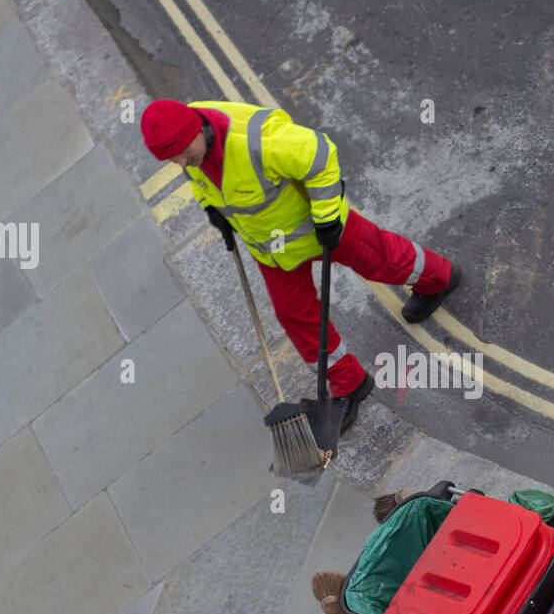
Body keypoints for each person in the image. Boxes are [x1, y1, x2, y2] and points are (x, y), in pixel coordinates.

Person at [140, 98, 461, 433]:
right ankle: (348, 382)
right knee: (294, 313)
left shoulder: (257, 141)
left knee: (380, 260)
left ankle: (438, 278)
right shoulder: (189, 141)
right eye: (171, 158)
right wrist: (211, 208)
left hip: (320, 229)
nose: (180, 161)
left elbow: (320, 156)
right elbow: (201, 179)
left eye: (181, 152)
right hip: (272, 249)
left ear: (196, 128)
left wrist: (326, 218)